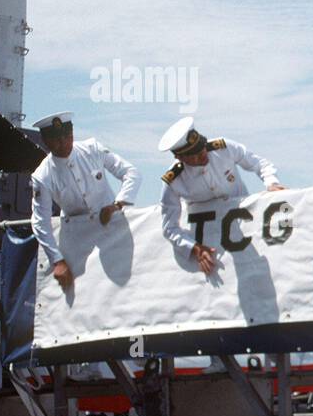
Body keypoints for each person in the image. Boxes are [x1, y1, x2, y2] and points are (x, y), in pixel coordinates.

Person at [158, 116, 286, 275]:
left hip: (246, 226)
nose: (202, 155)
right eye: (194, 156)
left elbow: (259, 163)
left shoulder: (223, 148)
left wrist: (271, 182)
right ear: (180, 158)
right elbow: (169, 228)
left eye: (202, 148)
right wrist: (194, 248)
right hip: (213, 242)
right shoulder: (174, 181)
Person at [29, 111, 142, 291]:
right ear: (46, 141)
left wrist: (119, 204)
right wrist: (56, 260)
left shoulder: (93, 149)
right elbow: (40, 221)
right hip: (78, 241)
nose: (64, 142)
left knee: (126, 284)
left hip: (112, 230)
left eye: (68, 136)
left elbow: (131, 173)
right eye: (57, 139)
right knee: (87, 291)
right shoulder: (43, 176)